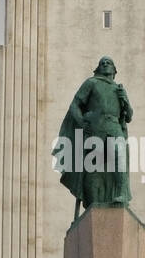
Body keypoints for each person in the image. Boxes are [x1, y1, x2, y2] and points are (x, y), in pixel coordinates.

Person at [53, 57, 133, 217]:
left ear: (114, 70)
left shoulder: (119, 89)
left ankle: (121, 194)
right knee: (92, 167)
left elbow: (129, 116)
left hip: (114, 126)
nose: (104, 64)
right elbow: (75, 105)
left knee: (119, 156)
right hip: (96, 127)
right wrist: (82, 123)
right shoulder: (92, 83)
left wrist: (125, 100)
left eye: (108, 62)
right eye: (102, 63)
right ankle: (92, 202)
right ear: (98, 68)